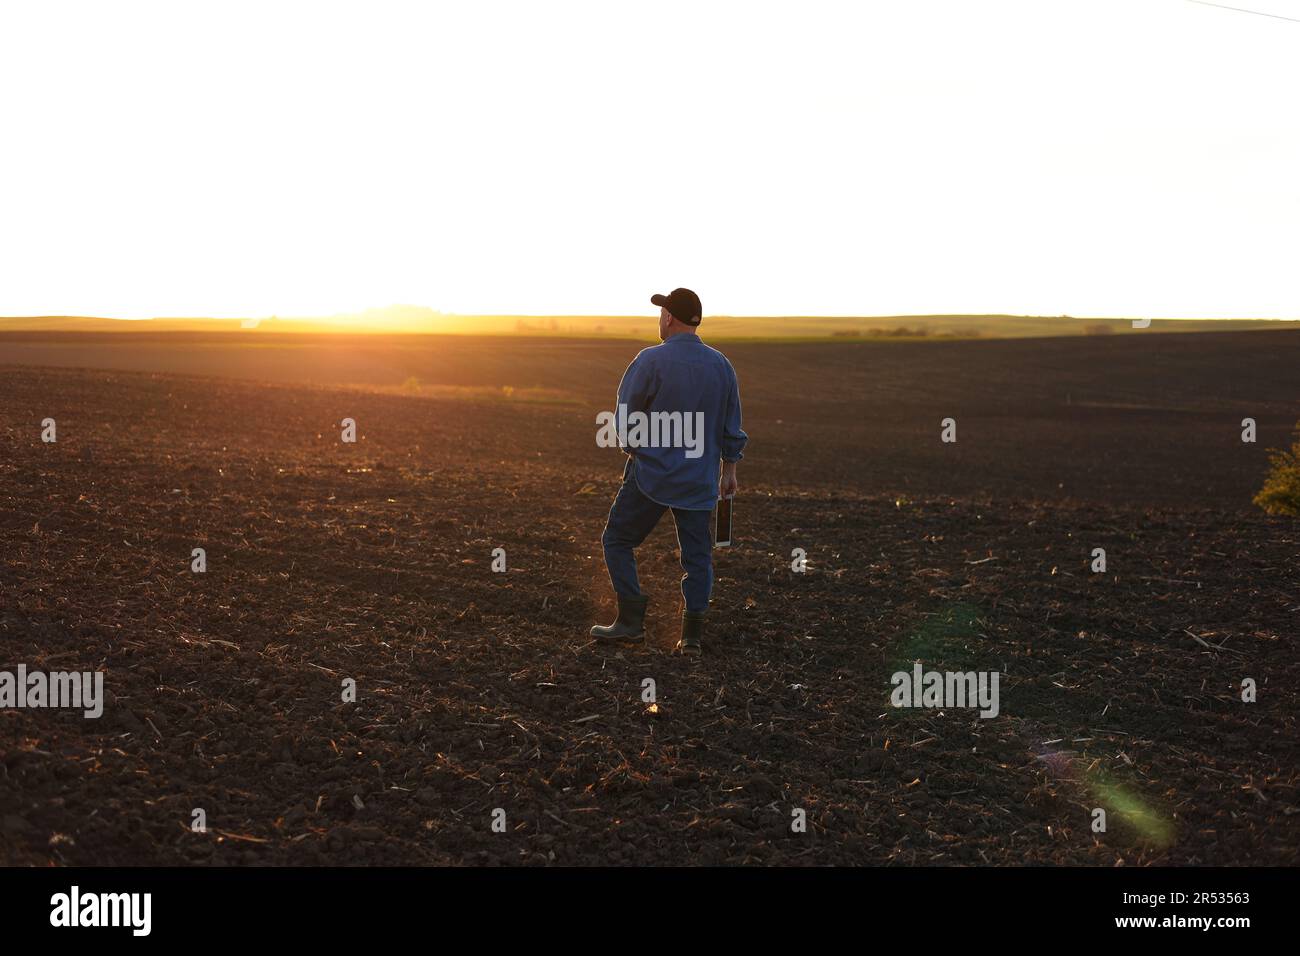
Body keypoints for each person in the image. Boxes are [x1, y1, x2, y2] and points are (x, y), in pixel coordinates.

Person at [590, 288, 748, 655]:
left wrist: (637, 452)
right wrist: (729, 469)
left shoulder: (649, 361)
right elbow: (731, 427)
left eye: (662, 311)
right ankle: (691, 636)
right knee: (697, 558)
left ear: (669, 318)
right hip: (699, 481)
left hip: (652, 478)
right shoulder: (722, 366)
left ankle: (630, 622)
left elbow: (626, 423)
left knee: (617, 540)